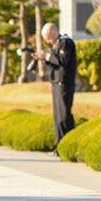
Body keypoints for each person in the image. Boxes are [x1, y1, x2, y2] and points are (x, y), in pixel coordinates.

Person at [34, 23, 76, 154]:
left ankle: (68, 145)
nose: (47, 41)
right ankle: (59, 146)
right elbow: (54, 63)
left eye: (47, 38)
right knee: (57, 117)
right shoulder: (56, 44)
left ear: (53, 32)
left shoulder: (65, 42)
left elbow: (63, 61)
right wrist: (44, 58)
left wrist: (47, 56)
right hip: (56, 83)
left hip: (64, 83)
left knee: (64, 115)